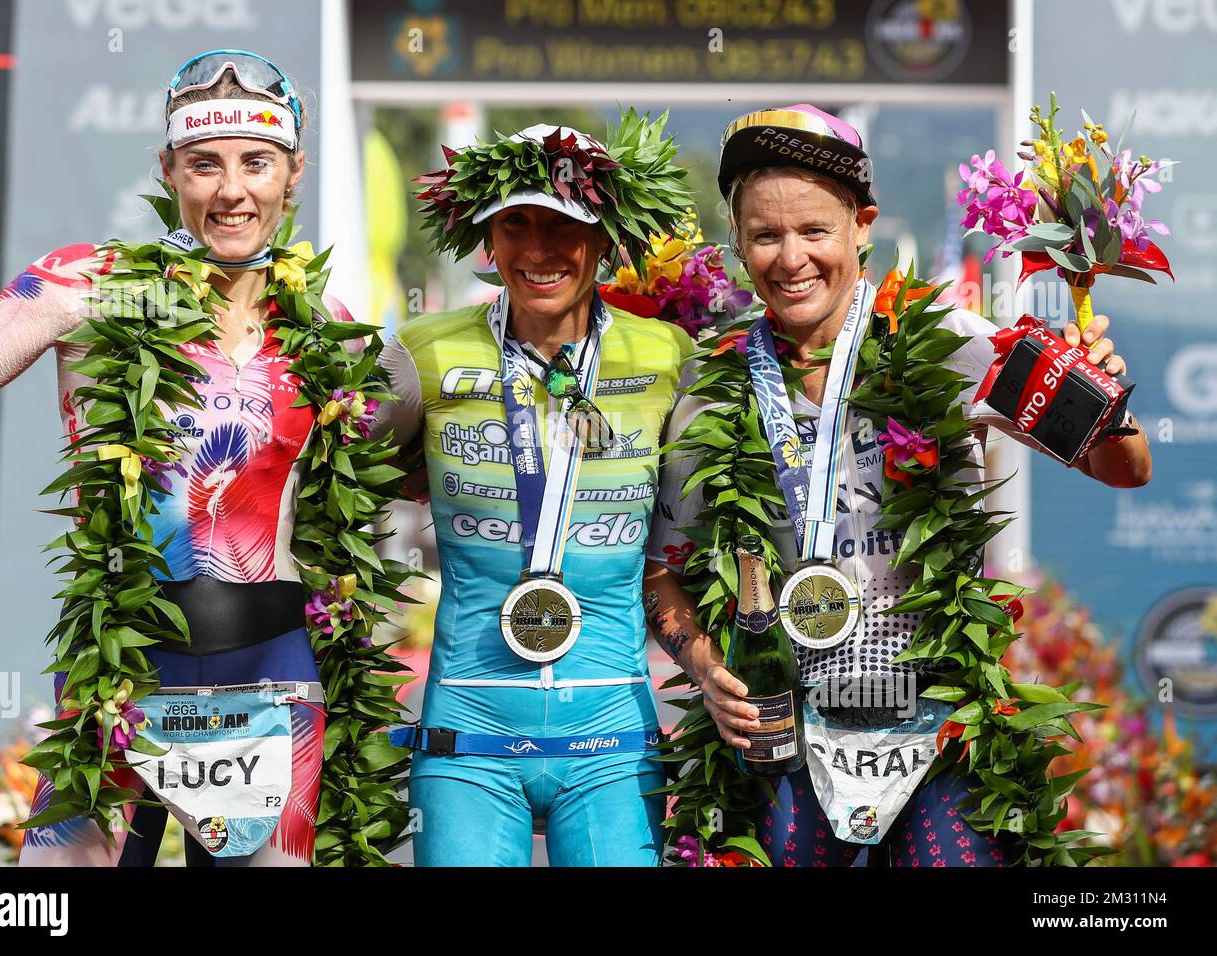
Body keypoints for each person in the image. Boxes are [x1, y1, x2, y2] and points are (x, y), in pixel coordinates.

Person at [644, 105, 1151, 867]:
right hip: (786, 731)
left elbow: (1125, 468)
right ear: (740, 244)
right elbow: (663, 573)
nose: (791, 259)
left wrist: (1103, 398)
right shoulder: (709, 389)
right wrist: (706, 670)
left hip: (936, 727)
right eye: (765, 235)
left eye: (814, 231)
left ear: (862, 226)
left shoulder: (952, 343)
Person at [0, 50, 354, 866]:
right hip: (116, 681)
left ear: (294, 173)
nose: (232, 190)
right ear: (168, 170)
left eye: (257, 163)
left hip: (272, 688)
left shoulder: (325, 321)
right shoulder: (88, 285)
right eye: (204, 164)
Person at [378, 116, 694, 866]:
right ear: (486, 239)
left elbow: (688, 539)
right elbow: (329, 486)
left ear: (605, 236)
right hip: (468, 742)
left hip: (613, 742)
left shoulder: (666, 356)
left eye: (564, 223)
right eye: (515, 223)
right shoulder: (423, 353)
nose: (540, 248)